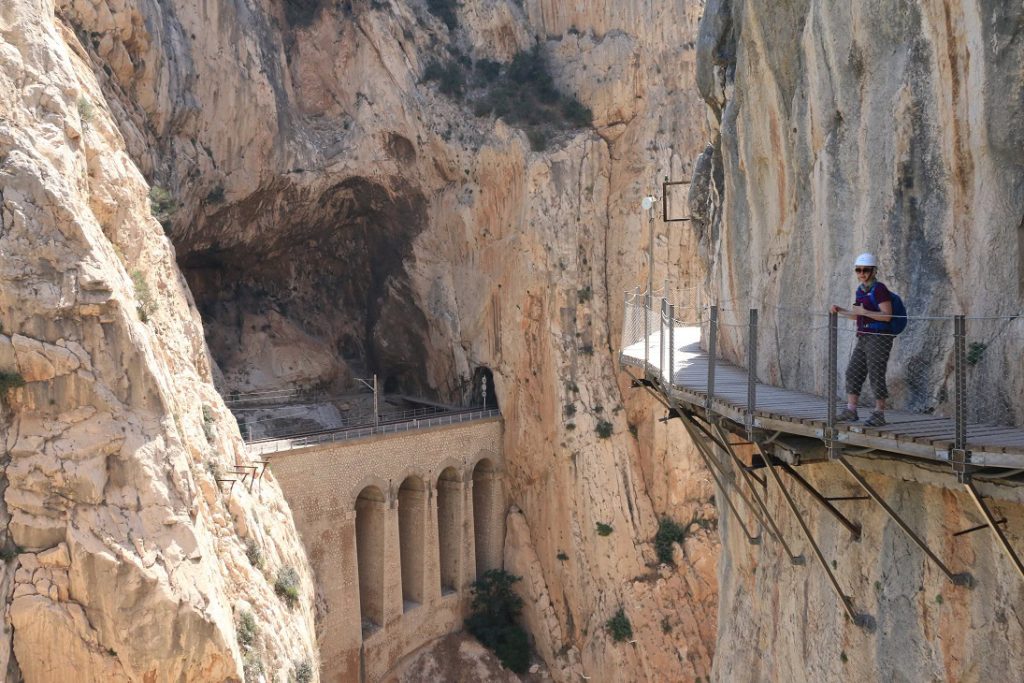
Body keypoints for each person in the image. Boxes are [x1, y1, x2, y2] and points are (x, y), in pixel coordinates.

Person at [830, 253, 894, 427]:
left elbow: (887, 316)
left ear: (873, 271)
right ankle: (851, 410)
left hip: (879, 337)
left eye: (865, 270)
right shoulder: (861, 290)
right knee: (853, 371)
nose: (862, 273)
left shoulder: (879, 289)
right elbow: (858, 315)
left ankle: (879, 413)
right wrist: (841, 310)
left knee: (876, 373)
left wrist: (866, 313)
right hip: (864, 337)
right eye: (859, 270)